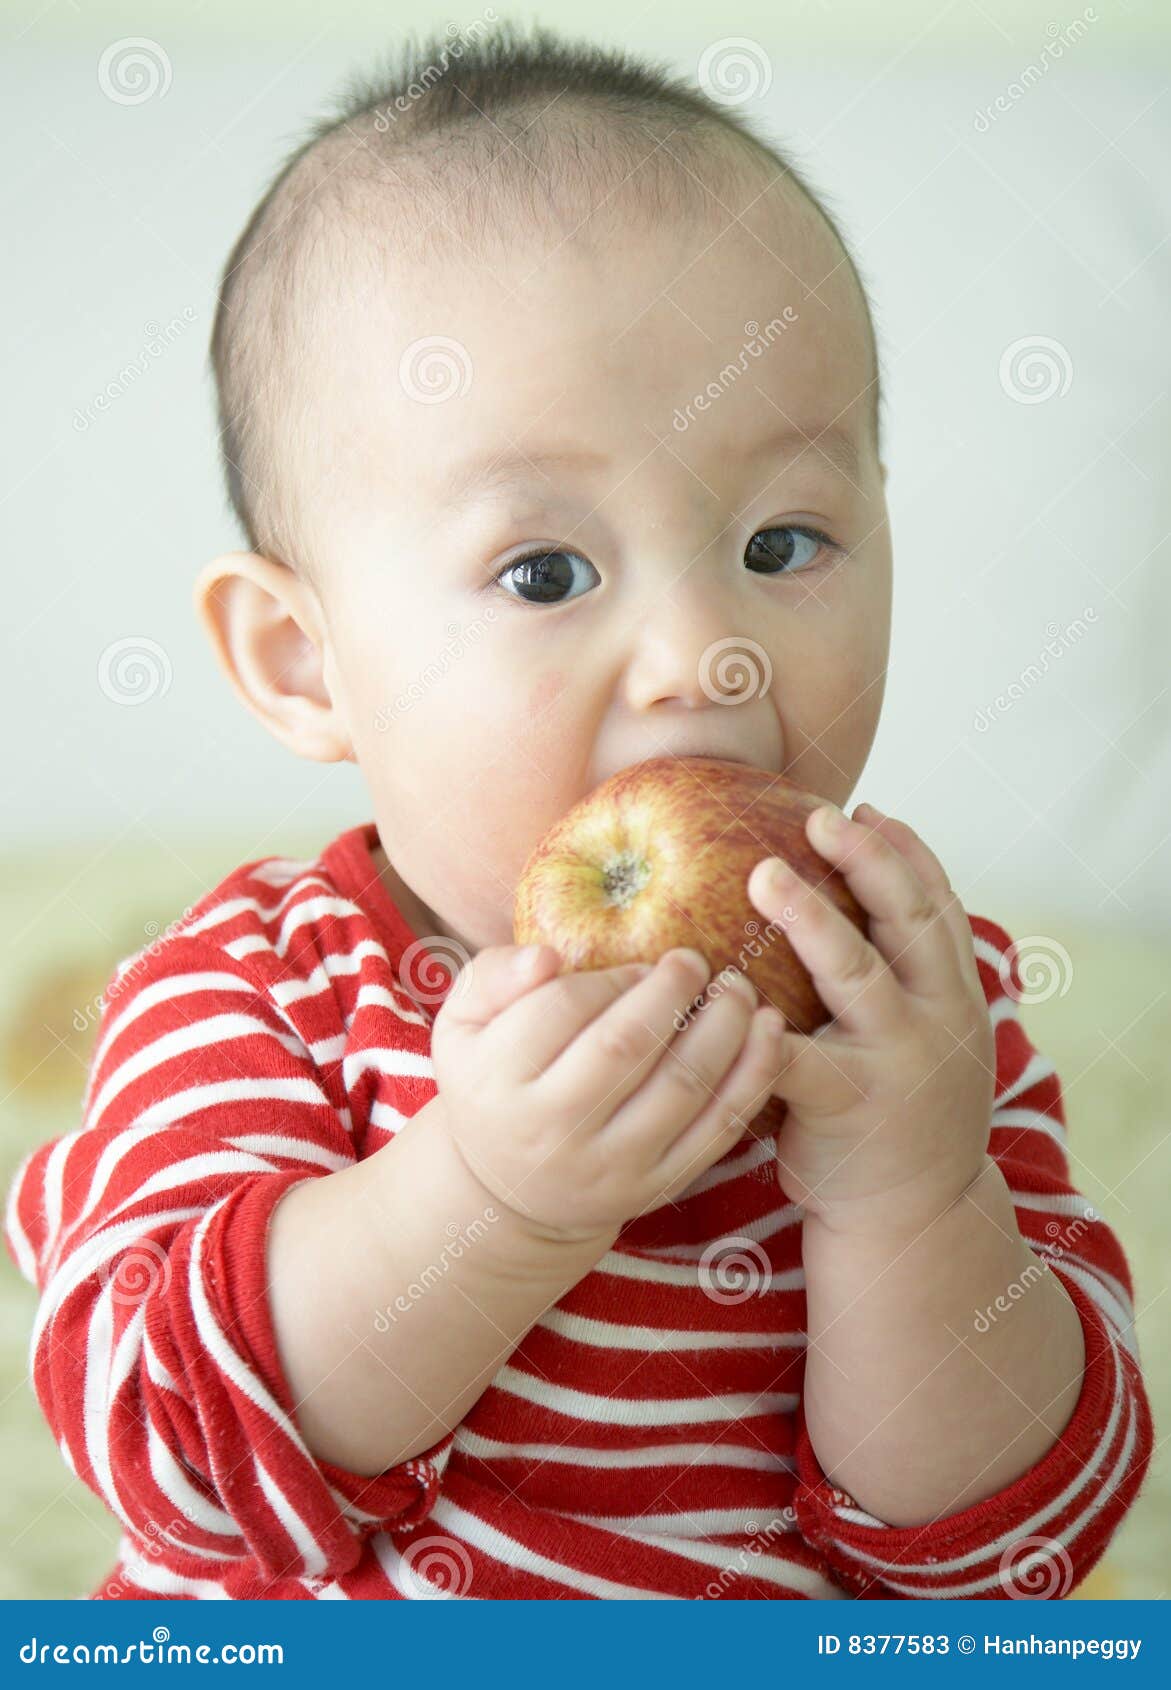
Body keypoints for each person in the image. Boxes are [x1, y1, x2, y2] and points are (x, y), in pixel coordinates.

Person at [5, 20, 1151, 1599]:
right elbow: (176, 1460)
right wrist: (483, 1202)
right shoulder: (247, 995)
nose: (708, 652)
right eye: (545, 572)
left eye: (783, 541)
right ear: (304, 661)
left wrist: (914, 1197)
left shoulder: (914, 1010)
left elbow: (1009, 1558)